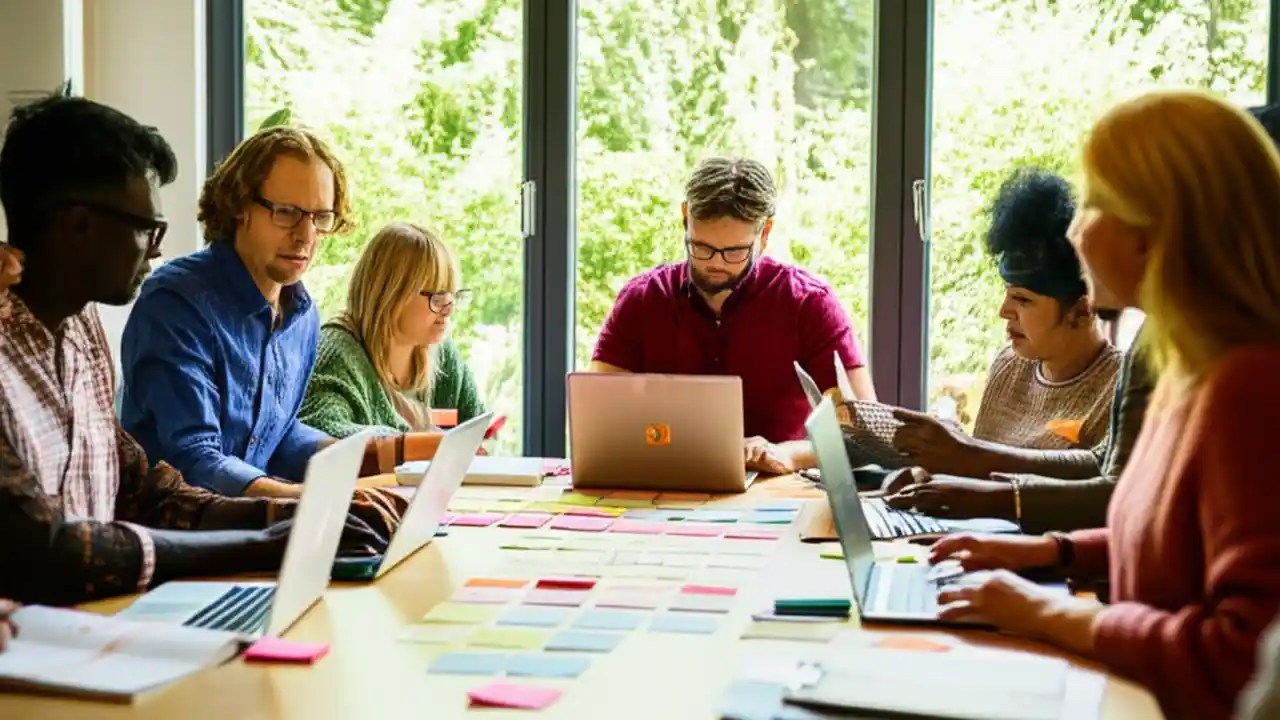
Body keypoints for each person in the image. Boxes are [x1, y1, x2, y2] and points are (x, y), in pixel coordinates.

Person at [928, 90, 1280, 720]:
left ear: (1150, 233)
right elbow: (1172, 545)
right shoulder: (1183, 363)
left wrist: (1046, 612)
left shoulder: (1247, 384)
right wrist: (1051, 551)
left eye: (1092, 205)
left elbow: (1245, 656)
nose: (1074, 231)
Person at [0, 95, 392, 606]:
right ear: (79, 226)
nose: (158, 247)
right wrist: (265, 541)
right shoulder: (173, 299)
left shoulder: (81, 330)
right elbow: (48, 551)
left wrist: (291, 515)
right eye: (147, 227)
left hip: (96, 622)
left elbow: (145, 489)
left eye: (320, 217)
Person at [119, 125, 409, 497]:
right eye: (287, 213)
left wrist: (363, 461)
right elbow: (194, 462)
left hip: (258, 519)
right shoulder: (177, 302)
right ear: (239, 206)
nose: (306, 236)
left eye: (320, 217)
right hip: (182, 526)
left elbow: (276, 436)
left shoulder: (302, 316)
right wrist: (309, 500)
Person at [589, 157, 874, 473]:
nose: (715, 264)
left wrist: (789, 454)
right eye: (701, 247)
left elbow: (863, 436)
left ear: (764, 233)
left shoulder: (809, 303)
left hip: (778, 488)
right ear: (685, 217)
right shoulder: (642, 299)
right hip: (661, 484)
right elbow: (596, 422)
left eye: (734, 252)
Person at [892, 169, 1120, 476]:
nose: (1004, 311)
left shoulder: (1119, 389)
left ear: (1082, 310)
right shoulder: (1008, 366)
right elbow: (973, 475)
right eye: (1007, 294)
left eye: (1023, 299)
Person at [300, 222, 486, 438]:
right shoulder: (336, 353)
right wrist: (411, 441)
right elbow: (320, 429)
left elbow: (478, 431)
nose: (449, 309)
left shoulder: (444, 355)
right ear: (391, 295)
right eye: (437, 297)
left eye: (452, 296)